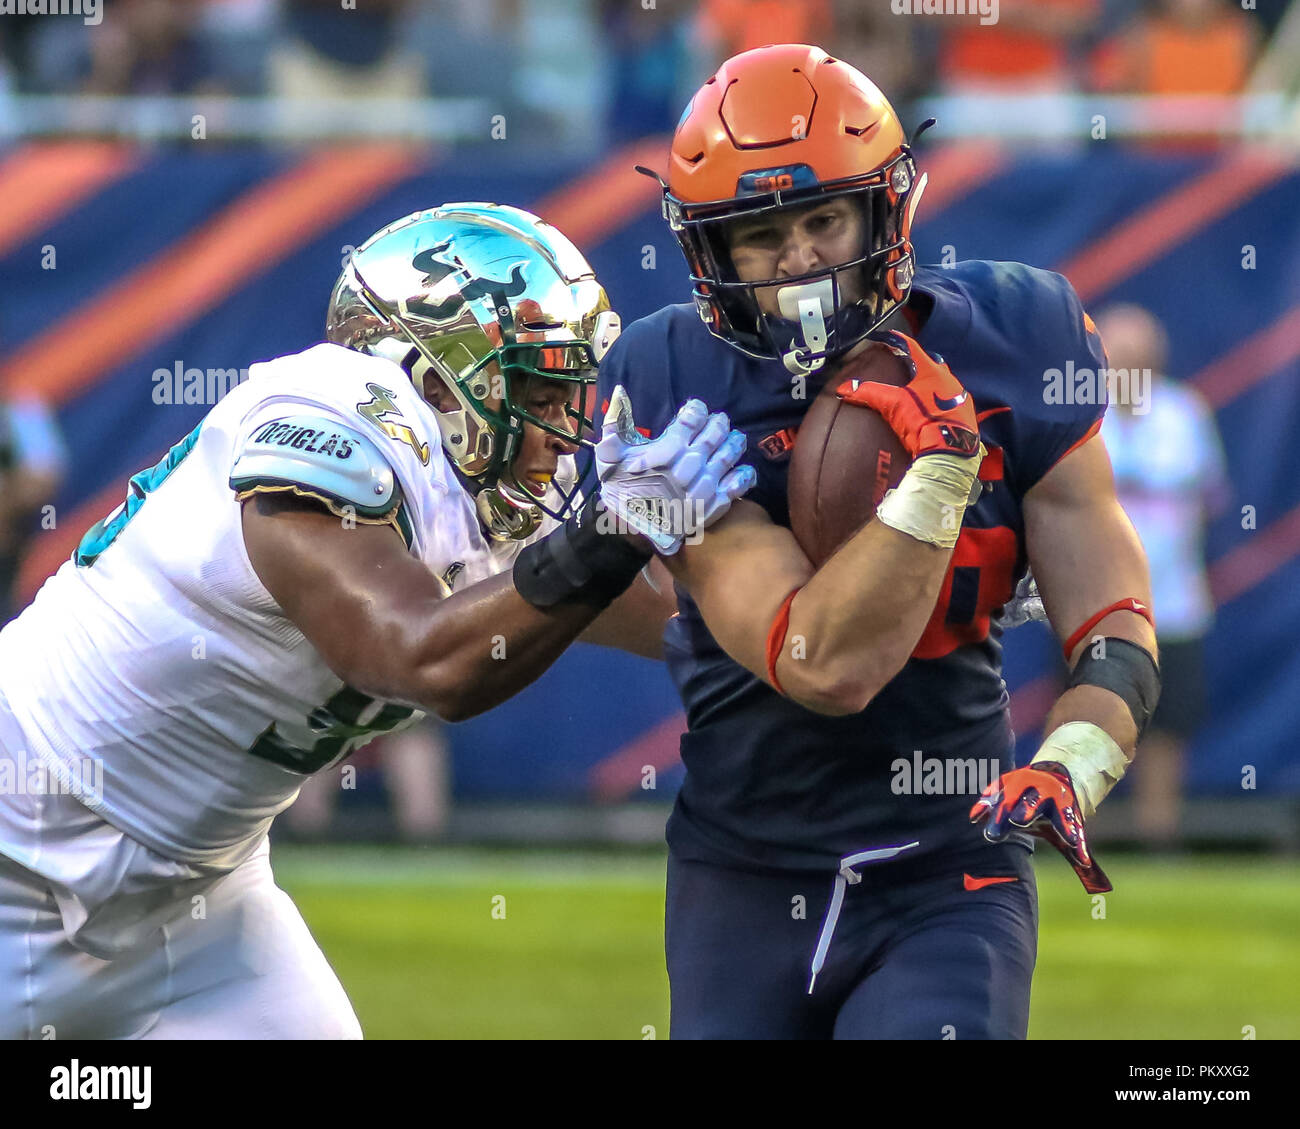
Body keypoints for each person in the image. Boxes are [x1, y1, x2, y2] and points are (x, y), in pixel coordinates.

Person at [0, 202, 751, 1039]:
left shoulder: (488, 485)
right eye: (540, 388)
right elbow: (419, 657)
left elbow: (695, 625)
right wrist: (608, 532)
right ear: (433, 380)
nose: (567, 429)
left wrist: (808, 615)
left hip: (196, 900)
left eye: (573, 388)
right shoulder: (330, 417)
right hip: (17, 840)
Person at [601, 45, 1160, 1038]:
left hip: (951, 859)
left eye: (822, 219)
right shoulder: (671, 372)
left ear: (883, 209)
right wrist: (942, 470)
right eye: (761, 234)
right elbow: (824, 665)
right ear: (708, 252)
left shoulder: (1017, 335)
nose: (802, 257)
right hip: (744, 867)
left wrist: (1071, 763)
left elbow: (1114, 621)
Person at [1095, 304, 1229, 850]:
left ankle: (1159, 840)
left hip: (1174, 604)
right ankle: (1085, 838)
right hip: (1097, 605)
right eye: (1117, 355)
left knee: (1168, 728)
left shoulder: (1184, 414)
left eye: (1137, 356)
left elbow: (1209, 498)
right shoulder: (1083, 416)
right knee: (1094, 719)